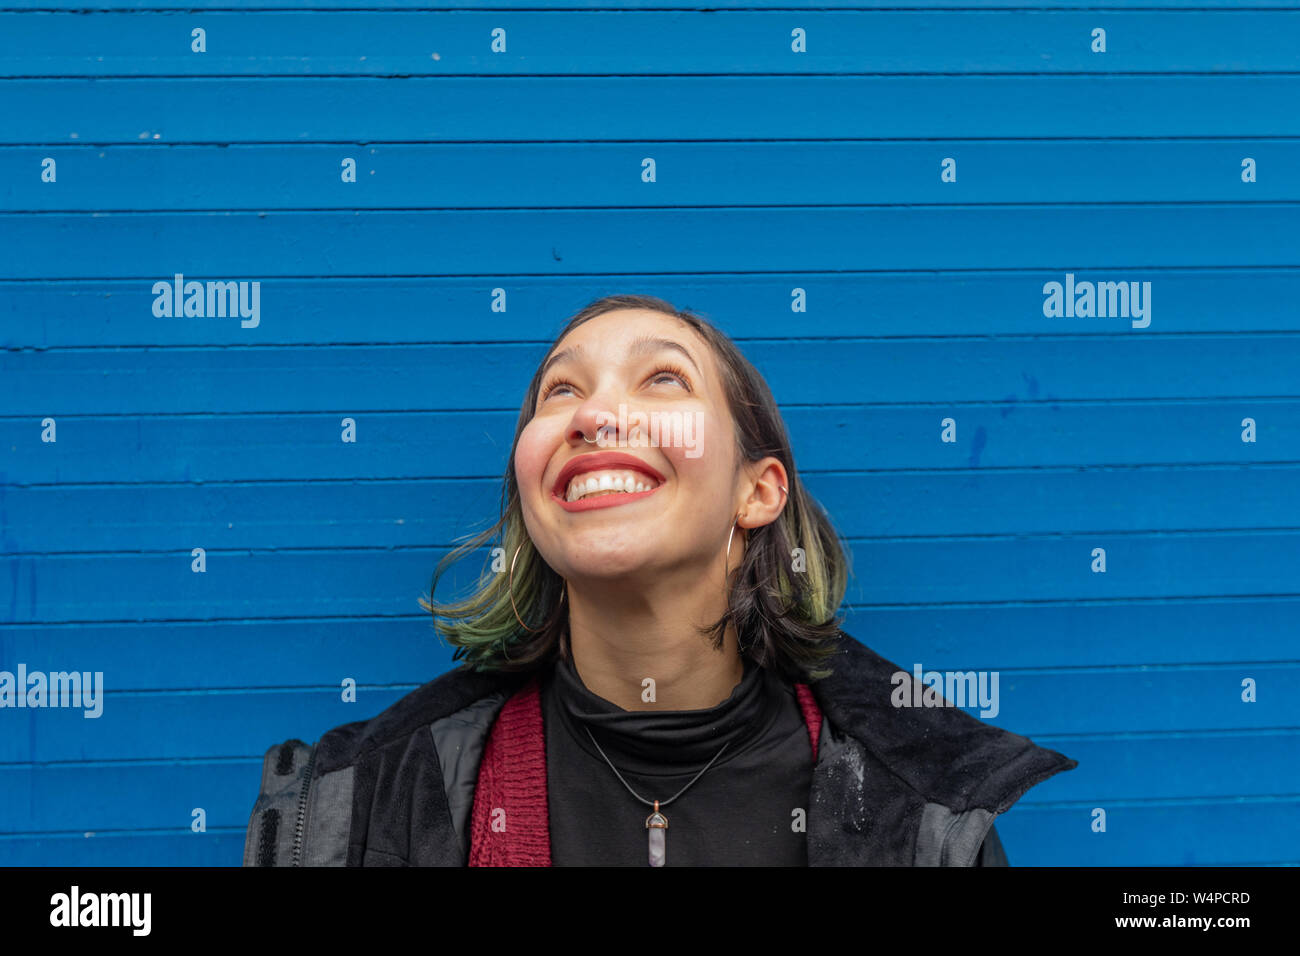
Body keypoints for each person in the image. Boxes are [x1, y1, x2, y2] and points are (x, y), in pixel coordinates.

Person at [242, 293, 1077, 867]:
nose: (594, 415)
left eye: (663, 379)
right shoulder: (357, 802)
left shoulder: (925, 806)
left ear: (758, 492)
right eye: (560, 391)